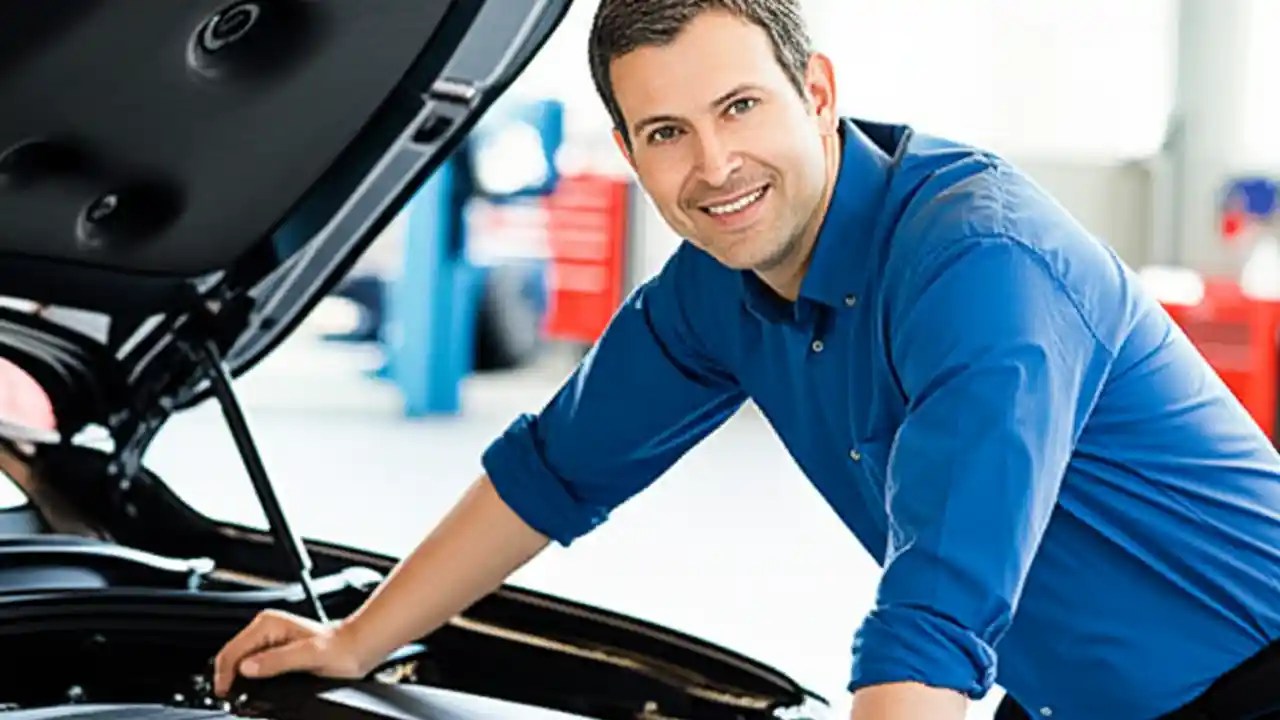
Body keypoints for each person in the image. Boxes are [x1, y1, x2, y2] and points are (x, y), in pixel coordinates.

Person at [213, 1, 1280, 718]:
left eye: (738, 107)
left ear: (815, 91)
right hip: (1069, 694)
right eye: (666, 131)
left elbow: (937, 608)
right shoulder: (710, 292)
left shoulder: (979, 264)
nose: (714, 165)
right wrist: (355, 641)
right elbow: (553, 471)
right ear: (628, 152)